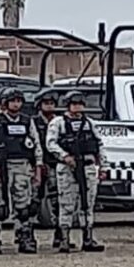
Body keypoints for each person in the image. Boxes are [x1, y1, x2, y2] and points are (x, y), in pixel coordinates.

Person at [0, 87, 43, 254]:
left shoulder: (26, 121)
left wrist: (37, 168)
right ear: (5, 103)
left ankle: (24, 236)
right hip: (2, 166)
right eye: (13, 101)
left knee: (24, 207)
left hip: (23, 166)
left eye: (19, 101)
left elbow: (36, 145)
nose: (16, 104)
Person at [45, 92, 104, 253]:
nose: (78, 107)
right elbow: (51, 144)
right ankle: (64, 238)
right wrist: (64, 156)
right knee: (66, 203)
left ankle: (88, 237)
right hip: (68, 167)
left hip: (88, 166)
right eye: (74, 104)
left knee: (87, 203)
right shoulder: (58, 123)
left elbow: (99, 145)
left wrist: (103, 166)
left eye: (80, 104)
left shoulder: (89, 123)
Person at [31, 89, 63, 248]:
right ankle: (26, 233)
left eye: (52, 103)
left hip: (54, 165)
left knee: (57, 200)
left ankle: (59, 233)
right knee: (33, 200)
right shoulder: (33, 122)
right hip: (36, 166)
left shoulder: (60, 122)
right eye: (46, 103)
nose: (49, 106)